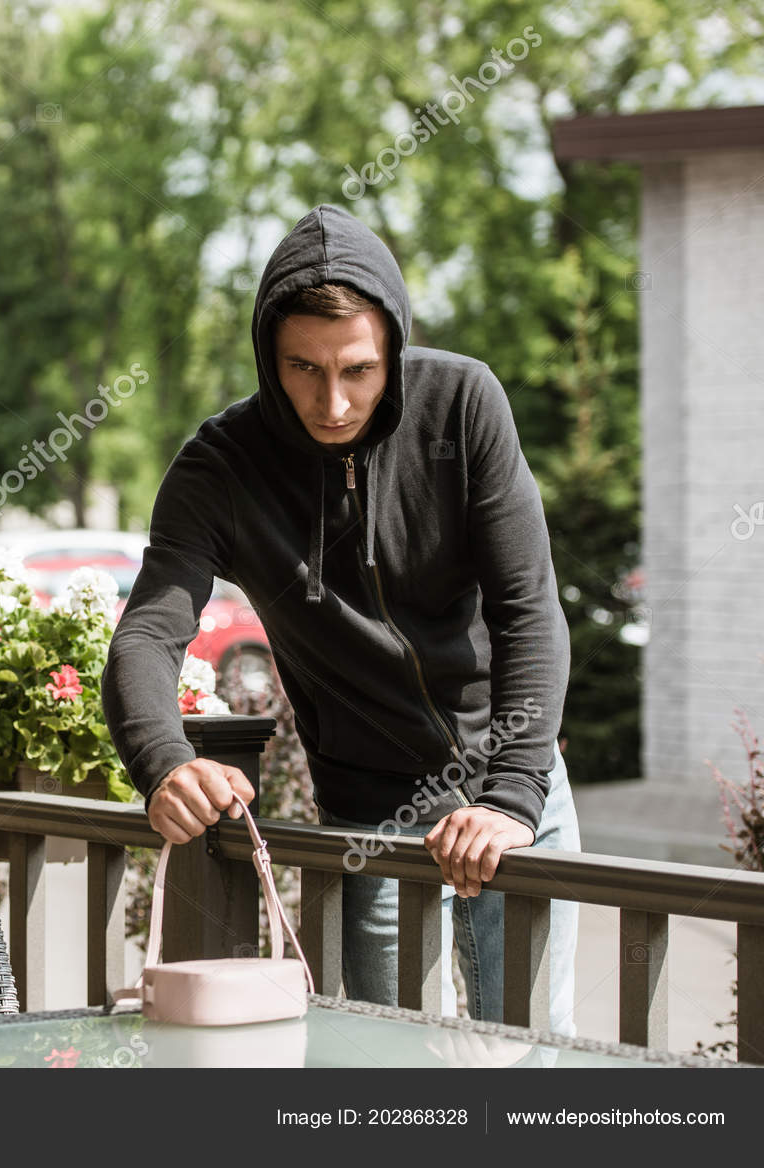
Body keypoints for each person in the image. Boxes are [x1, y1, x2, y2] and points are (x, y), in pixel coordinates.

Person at [102, 204, 580, 1035]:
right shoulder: (220, 467)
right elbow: (147, 631)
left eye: (359, 370)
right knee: (380, 1065)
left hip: (513, 794)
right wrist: (163, 762)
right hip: (369, 823)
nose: (332, 402)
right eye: (303, 370)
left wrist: (510, 797)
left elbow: (529, 609)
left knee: (535, 1056)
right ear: (267, 355)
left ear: (394, 343)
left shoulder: (463, 405)